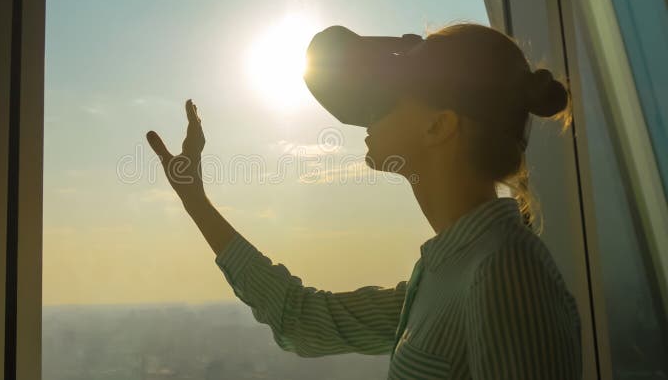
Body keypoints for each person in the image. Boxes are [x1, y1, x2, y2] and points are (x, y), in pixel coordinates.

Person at [145, 23, 582, 379]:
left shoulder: (505, 269)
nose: (371, 110)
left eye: (393, 92)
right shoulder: (443, 274)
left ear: (439, 126)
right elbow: (301, 320)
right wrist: (195, 200)